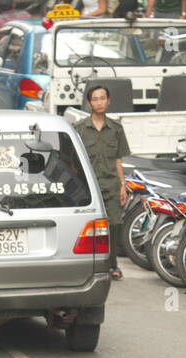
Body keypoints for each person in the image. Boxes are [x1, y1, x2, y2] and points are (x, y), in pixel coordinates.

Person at [73, 85, 130, 280]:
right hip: (88, 188)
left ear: (108, 100)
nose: (99, 102)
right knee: (86, 226)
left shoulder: (116, 129)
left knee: (114, 225)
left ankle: (111, 264)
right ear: (89, 103)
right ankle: (86, 265)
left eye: (102, 98)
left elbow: (118, 159)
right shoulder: (79, 129)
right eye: (95, 99)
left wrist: (123, 185)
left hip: (111, 185)